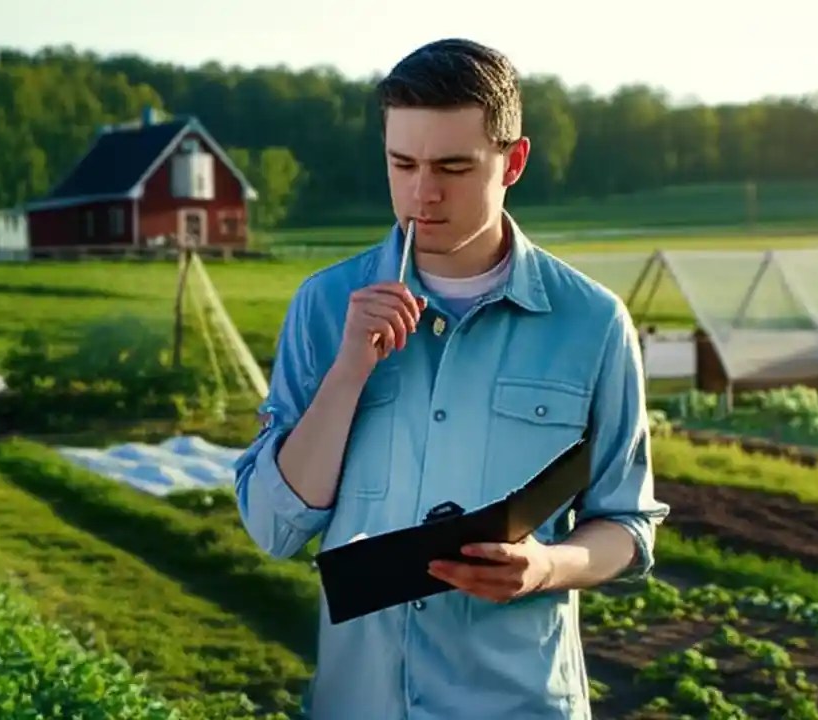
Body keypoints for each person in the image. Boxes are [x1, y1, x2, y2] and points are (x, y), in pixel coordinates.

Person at [232, 37, 670, 720]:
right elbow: (273, 529)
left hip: (521, 701)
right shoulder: (324, 306)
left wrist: (547, 568)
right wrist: (348, 372)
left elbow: (628, 523)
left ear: (513, 161)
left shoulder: (593, 323)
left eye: (453, 167)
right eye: (401, 163)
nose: (421, 194)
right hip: (361, 701)